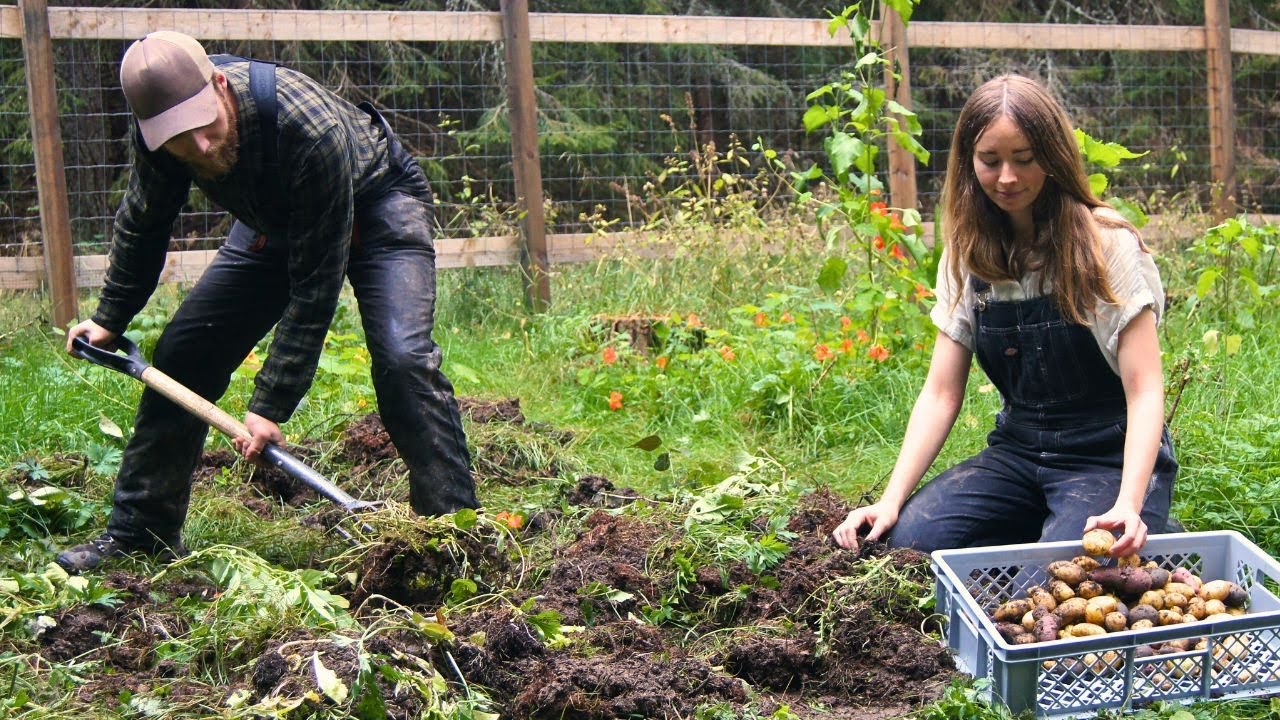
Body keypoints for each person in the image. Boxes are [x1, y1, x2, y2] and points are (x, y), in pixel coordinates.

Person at [56, 31, 478, 572]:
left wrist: (269, 405)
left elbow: (316, 282)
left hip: (378, 202)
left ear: (220, 84)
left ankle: (453, 537)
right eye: (181, 140)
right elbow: (144, 223)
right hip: (275, 221)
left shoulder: (306, 127)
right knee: (185, 351)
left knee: (403, 359)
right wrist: (109, 318)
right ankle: (141, 532)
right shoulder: (162, 136)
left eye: (205, 127)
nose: (201, 148)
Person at [832, 74, 1177, 558]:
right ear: (969, 162)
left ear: (1053, 156)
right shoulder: (967, 253)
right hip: (1019, 452)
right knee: (907, 545)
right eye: (990, 161)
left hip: (1106, 459)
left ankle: (1139, 521)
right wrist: (890, 500)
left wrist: (1128, 500)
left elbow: (1145, 390)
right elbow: (941, 392)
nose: (1007, 178)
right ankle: (1048, 524)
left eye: (1025, 159)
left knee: (1061, 583)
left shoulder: (1106, 245)